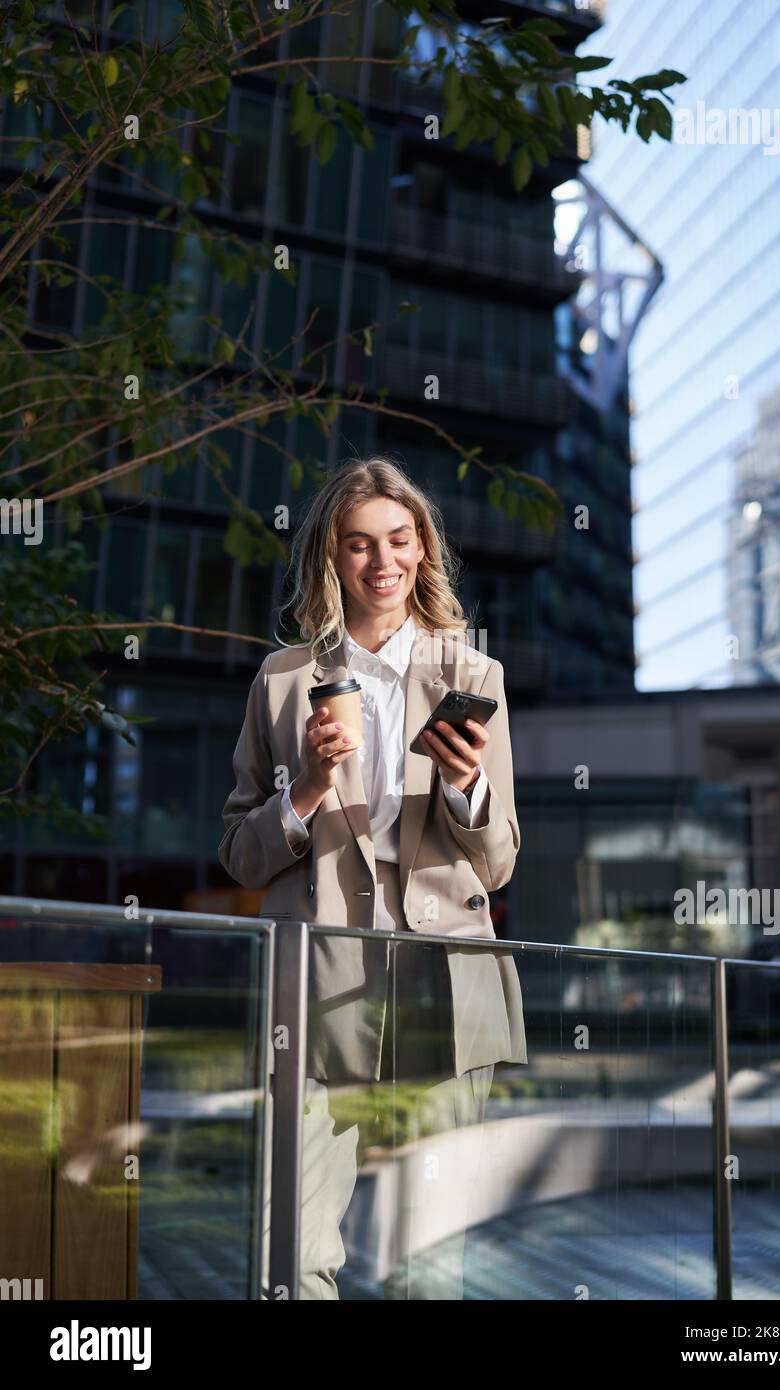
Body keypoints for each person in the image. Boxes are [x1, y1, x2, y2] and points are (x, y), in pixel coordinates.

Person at [218, 455, 527, 1299]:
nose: (382, 561)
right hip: (316, 976)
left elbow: (497, 862)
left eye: (399, 539)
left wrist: (467, 786)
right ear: (332, 558)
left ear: (423, 549)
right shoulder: (283, 681)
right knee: (294, 1246)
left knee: (428, 1254)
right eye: (358, 545)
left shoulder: (474, 678)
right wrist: (307, 790)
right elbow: (240, 856)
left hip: (443, 979)